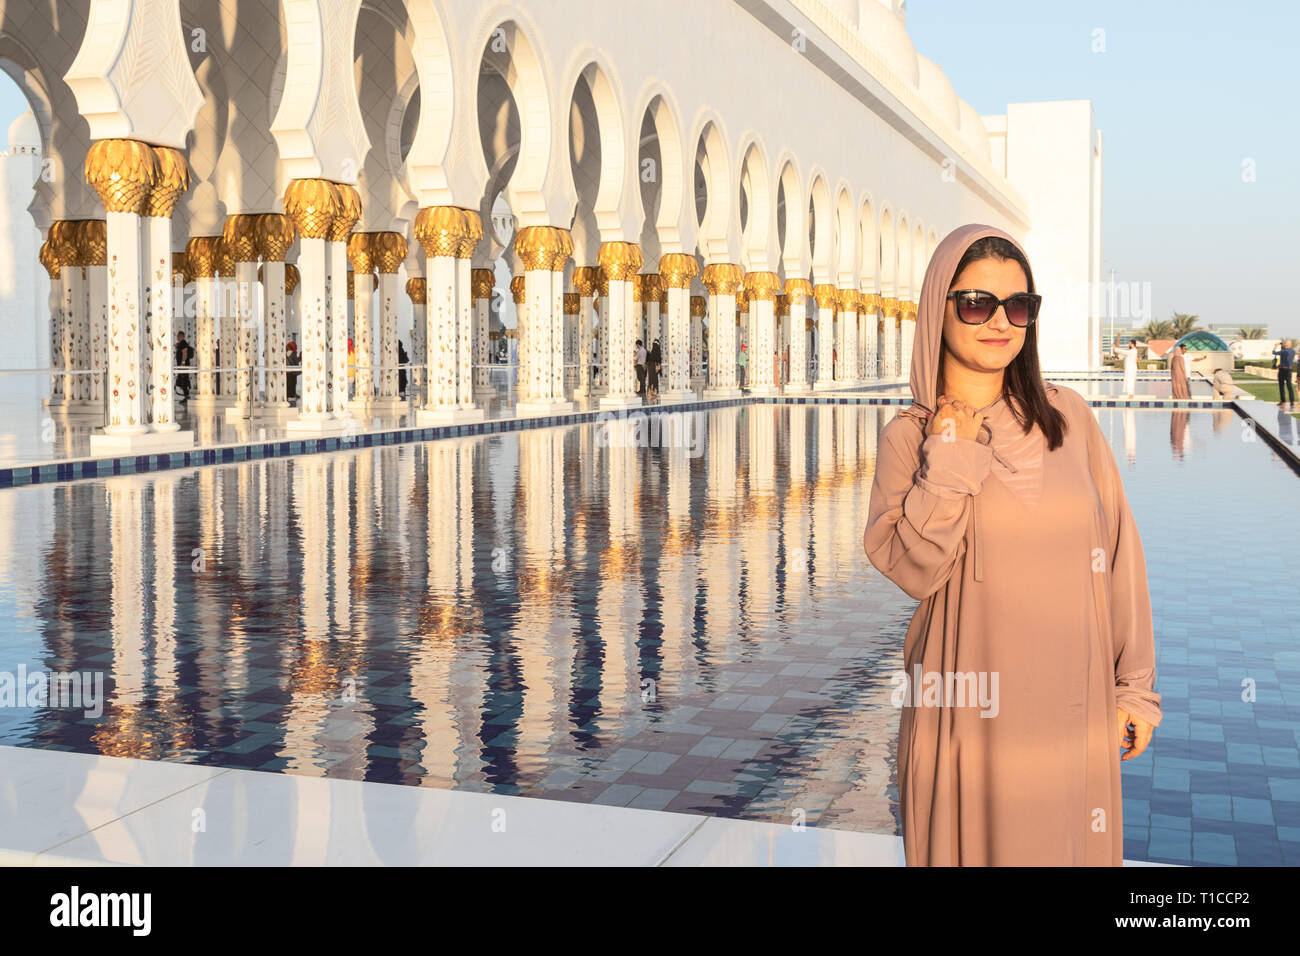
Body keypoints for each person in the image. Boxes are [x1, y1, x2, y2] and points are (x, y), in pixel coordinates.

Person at [863, 224, 1161, 866]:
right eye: (976, 303)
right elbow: (914, 568)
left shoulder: (1070, 419)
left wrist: (1134, 686)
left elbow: (1119, 556)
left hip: (1072, 708)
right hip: (968, 713)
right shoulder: (908, 440)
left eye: (1018, 306)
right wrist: (951, 454)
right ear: (937, 309)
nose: (999, 321)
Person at [1273, 338, 1296, 409]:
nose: (1284, 344)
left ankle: (1283, 402)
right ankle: (1292, 402)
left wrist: (1275, 346)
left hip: (1282, 370)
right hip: (1289, 370)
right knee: (1289, 386)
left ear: (1287, 344)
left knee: (1281, 386)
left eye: (1285, 343)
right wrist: (1282, 344)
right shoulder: (1293, 351)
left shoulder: (1283, 351)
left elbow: (1274, 353)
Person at [174, 332, 193, 402]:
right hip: (182, 365)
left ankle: (186, 395)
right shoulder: (182, 343)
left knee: (183, 380)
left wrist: (183, 362)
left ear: (180, 336)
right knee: (183, 380)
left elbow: (184, 353)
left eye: (177, 336)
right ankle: (186, 395)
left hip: (183, 365)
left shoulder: (183, 343)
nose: (177, 338)